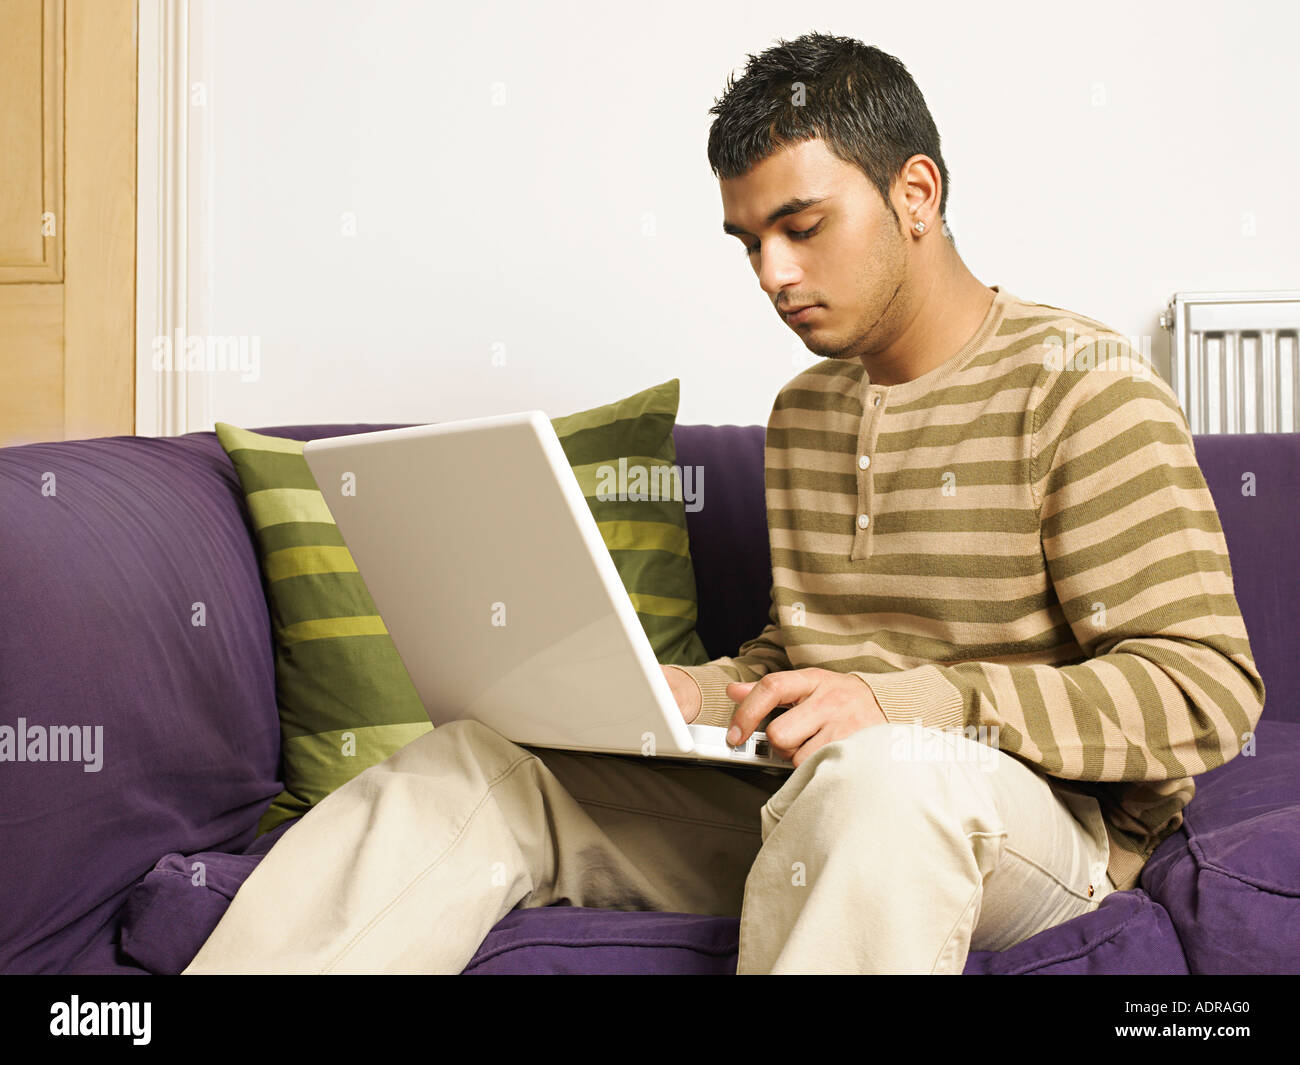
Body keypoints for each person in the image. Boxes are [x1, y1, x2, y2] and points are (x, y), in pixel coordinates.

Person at [183, 32, 1264, 975]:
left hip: (1030, 833)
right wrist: (686, 698)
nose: (772, 274)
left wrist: (909, 706)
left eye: (802, 226)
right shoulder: (806, 410)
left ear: (916, 195)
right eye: (750, 242)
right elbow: (798, 663)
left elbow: (1205, 691)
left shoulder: (1081, 381)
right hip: (815, 801)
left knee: (883, 778)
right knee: (474, 766)